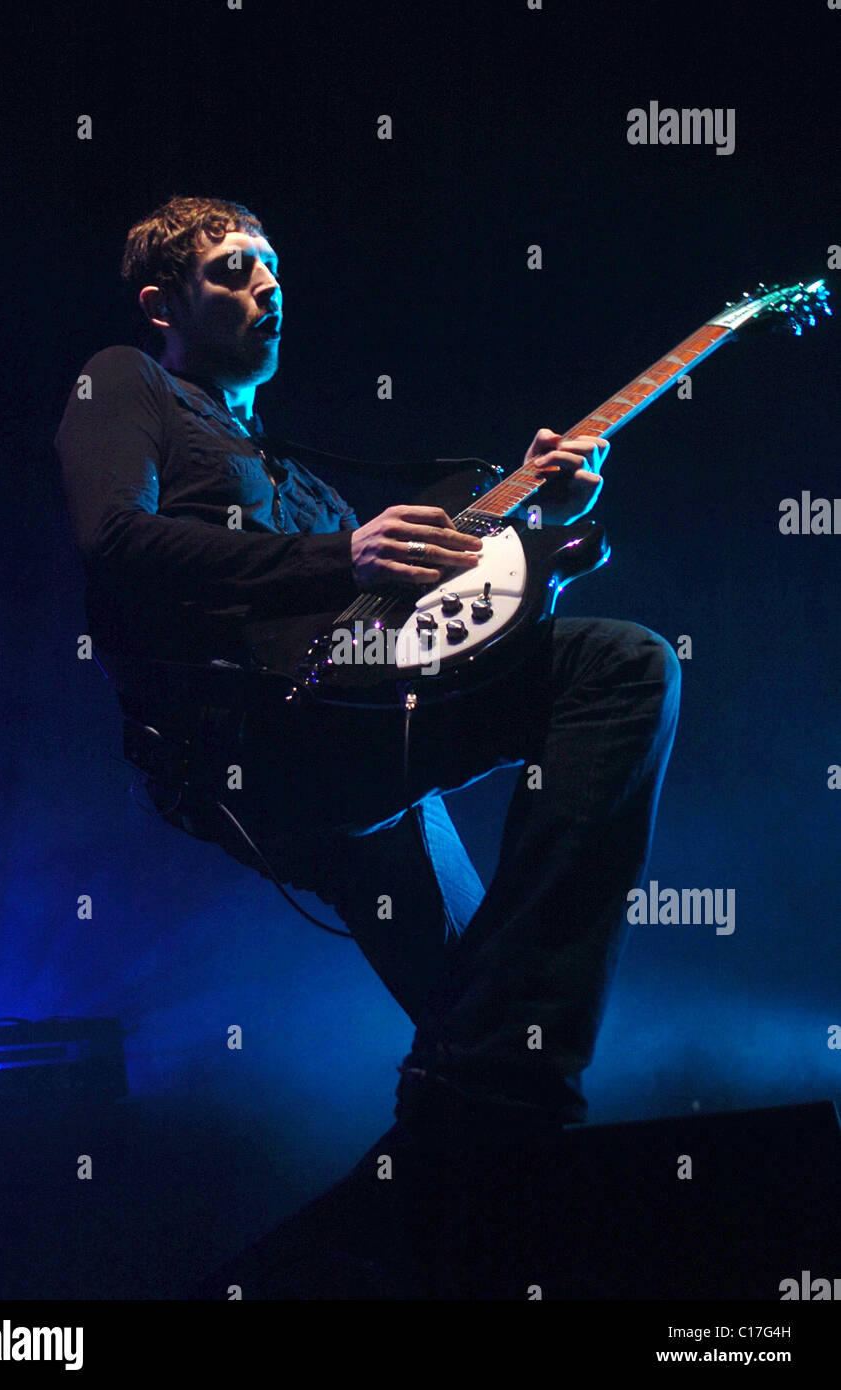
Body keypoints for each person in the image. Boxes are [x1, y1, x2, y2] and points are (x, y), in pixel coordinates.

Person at [55, 195, 681, 1148]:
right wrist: (337, 559)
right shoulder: (126, 380)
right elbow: (113, 540)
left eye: (271, 268)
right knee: (621, 663)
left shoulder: (306, 482)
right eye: (233, 269)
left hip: (367, 724)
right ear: (160, 306)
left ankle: (464, 1170)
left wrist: (542, 541)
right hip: (254, 741)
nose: (267, 284)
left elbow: (426, 623)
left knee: (486, 1038)